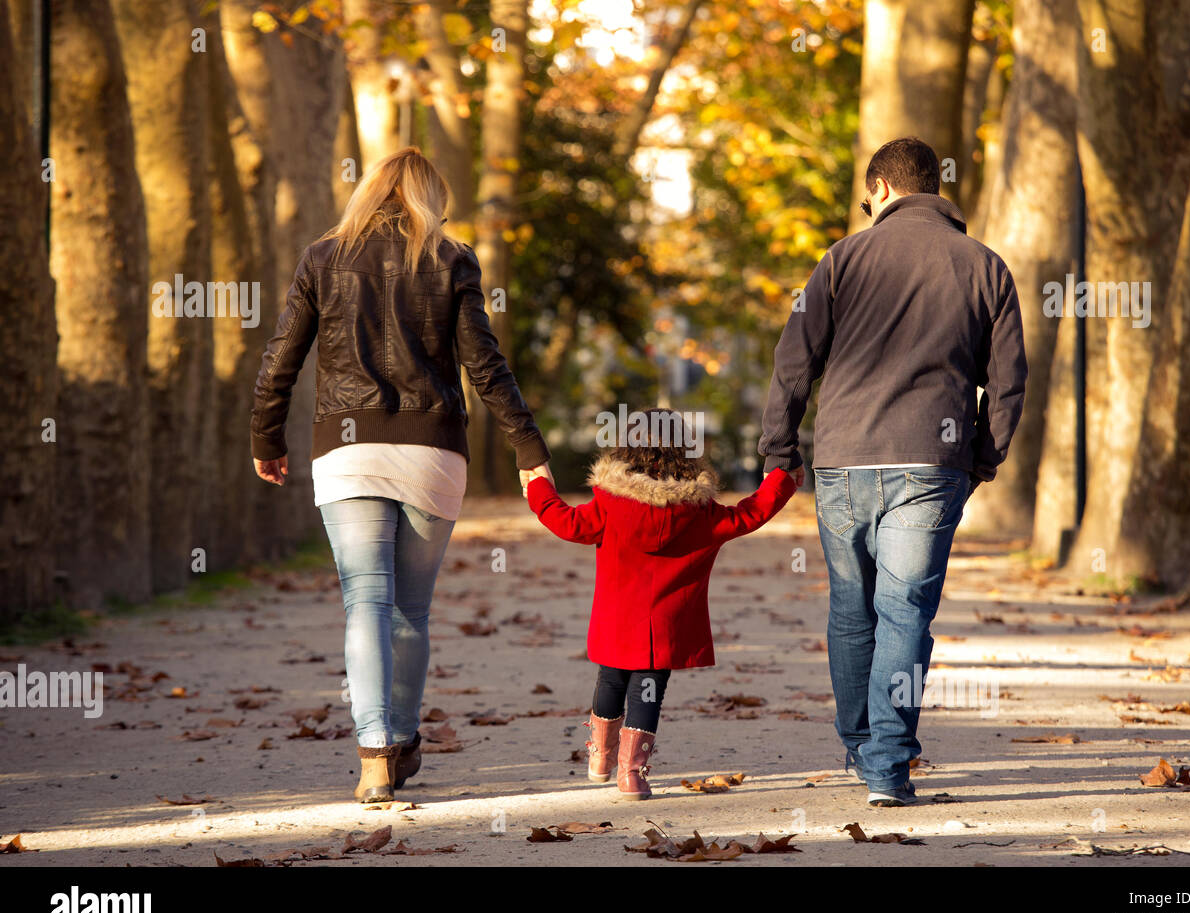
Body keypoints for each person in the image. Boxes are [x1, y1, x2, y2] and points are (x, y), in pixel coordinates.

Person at [250, 146, 552, 803]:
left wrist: (265, 437)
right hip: (430, 451)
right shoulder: (449, 258)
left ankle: (374, 754)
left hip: (347, 449)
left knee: (366, 600)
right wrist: (530, 450)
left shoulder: (323, 257)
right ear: (430, 198)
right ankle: (405, 739)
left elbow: (281, 357)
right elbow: (485, 364)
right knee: (410, 609)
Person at [758, 137, 1027, 807]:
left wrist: (778, 451)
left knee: (851, 610)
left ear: (879, 188)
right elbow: (1010, 379)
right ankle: (886, 765)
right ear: (935, 189)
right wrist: (983, 453)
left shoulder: (839, 261)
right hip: (930, 459)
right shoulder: (985, 265)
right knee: (904, 613)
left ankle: (859, 746)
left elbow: (795, 360)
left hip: (844, 457)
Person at [524, 409, 796, 799]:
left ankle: (601, 757)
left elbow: (564, 521)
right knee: (648, 690)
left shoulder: (608, 505)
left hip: (616, 623)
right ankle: (631, 774)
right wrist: (781, 480)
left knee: (611, 680)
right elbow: (750, 514)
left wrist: (537, 486)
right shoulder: (701, 512)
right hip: (666, 629)